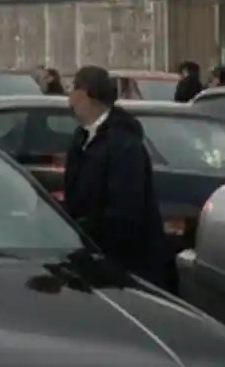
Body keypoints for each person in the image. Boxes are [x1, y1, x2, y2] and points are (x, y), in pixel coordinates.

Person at [64, 66, 171, 290]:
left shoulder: (124, 144)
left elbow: (126, 214)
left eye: (73, 89)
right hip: (92, 262)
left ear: (87, 94)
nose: (69, 97)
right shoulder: (82, 138)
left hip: (126, 271)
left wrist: (101, 256)